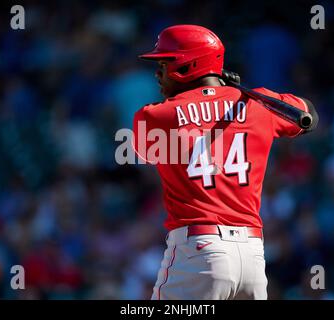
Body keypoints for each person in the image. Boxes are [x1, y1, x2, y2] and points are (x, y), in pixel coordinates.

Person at [133, 24, 318, 300]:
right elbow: (309, 116)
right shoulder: (258, 104)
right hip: (253, 258)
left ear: (188, 66)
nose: (158, 73)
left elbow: (146, 153)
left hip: (198, 251)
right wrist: (236, 95)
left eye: (165, 63)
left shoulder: (157, 116)